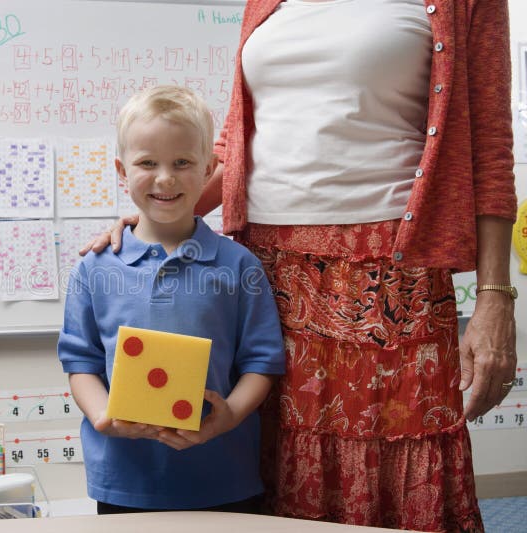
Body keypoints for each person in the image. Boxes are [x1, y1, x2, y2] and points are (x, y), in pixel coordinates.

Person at [83, 1, 518, 530]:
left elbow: (488, 142)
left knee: (394, 462)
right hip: (265, 269)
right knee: (269, 462)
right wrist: (153, 222)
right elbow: (237, 142)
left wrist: (495, 295)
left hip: (389, 273)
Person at [58, 85, 285, 514]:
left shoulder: (240, 265)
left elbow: (262, 361)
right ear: (122, 171)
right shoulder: (94, 268)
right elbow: (80, 361)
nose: (165, 178)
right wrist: (104, 417)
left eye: (182, 162)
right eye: (148, 163)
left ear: (209, 169)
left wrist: (229, 416)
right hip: (125, 480)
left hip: (224, 476)